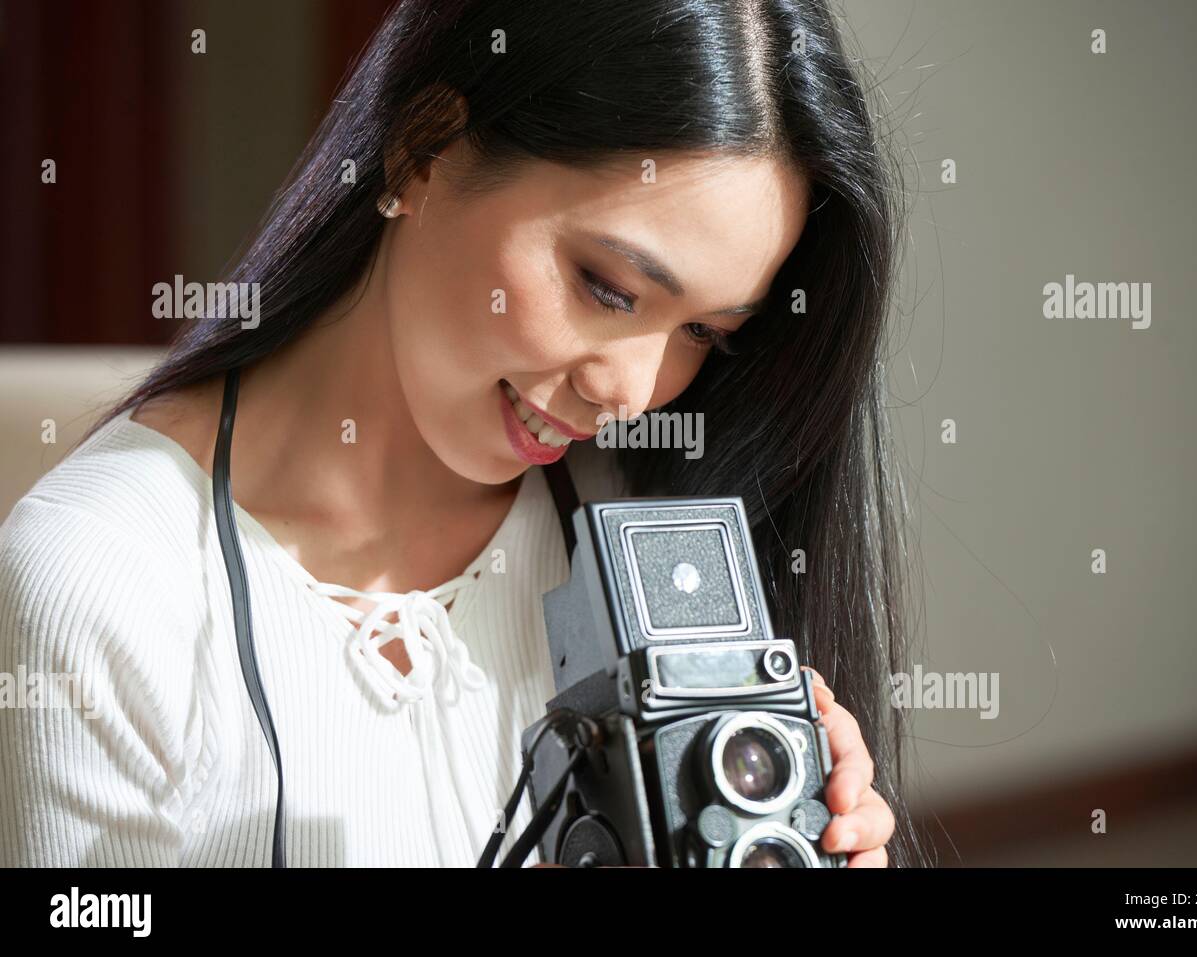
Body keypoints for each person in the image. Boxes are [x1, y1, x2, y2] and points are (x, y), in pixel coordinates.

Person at [0, 0, 925, 867]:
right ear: (421, 151)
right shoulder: (102, 581)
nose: (634, 391)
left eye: (704, 332)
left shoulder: (657, 542)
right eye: (608, 287)